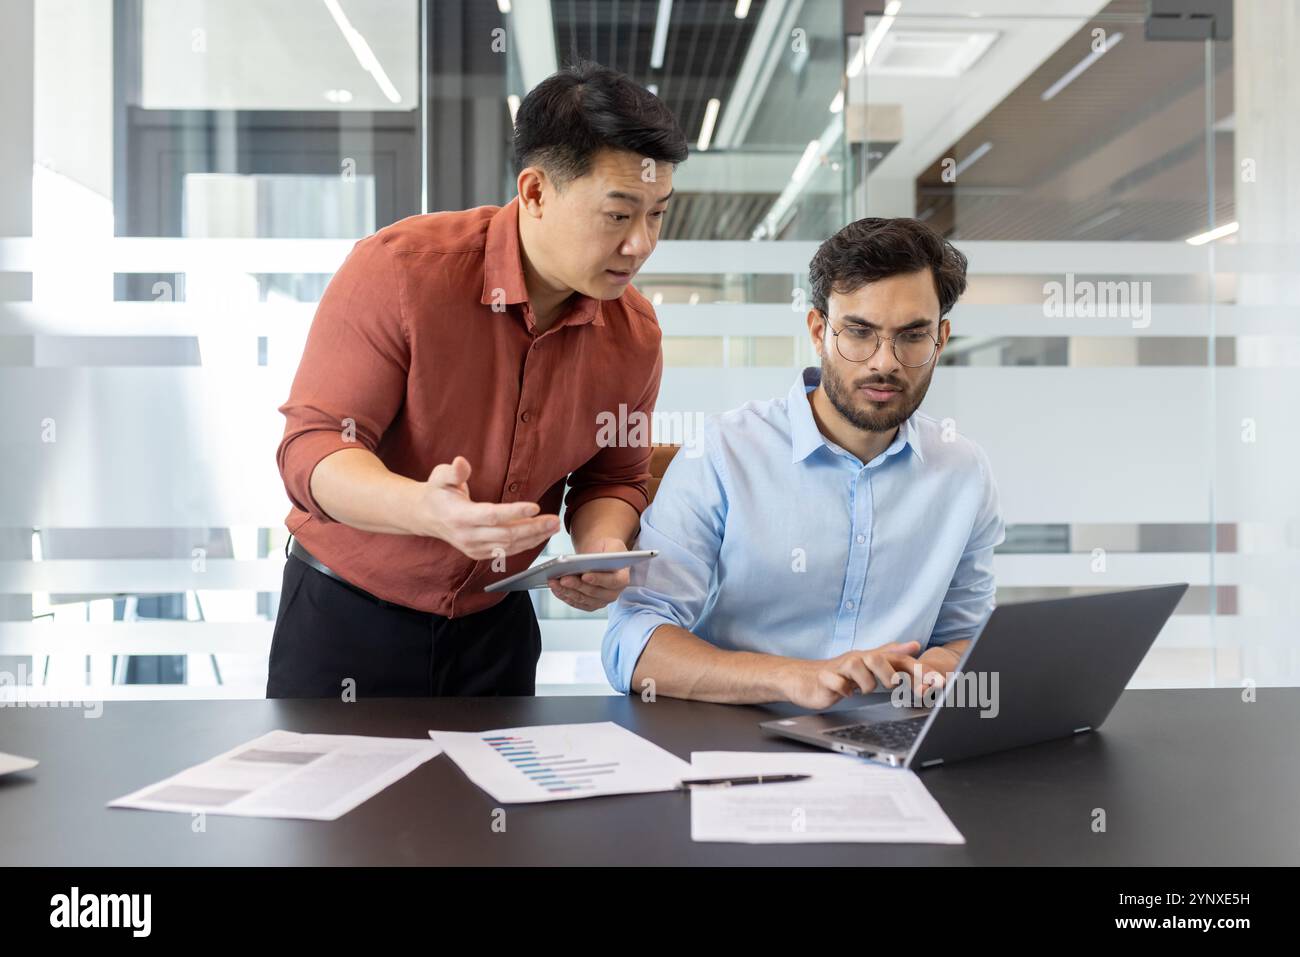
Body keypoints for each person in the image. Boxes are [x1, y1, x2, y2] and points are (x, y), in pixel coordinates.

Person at [268, 61, 687, 698]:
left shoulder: (634, 333)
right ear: (537, 191)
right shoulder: (402, 271)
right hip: (346, 620)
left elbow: (612, 476)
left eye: (658, 215)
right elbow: (315, 449)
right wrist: (422, 510)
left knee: (497, 799)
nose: (641, 244)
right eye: (618, 215)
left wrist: (599, 550)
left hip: (495, 632)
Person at [603, 217, 1005, 708]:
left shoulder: (963, 473)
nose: (885, 362)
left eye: (912, 336)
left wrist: (945, 664)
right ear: (818, 330)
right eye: (859, 332)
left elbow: (966, 636)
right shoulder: (725, 453)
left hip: (893, 742)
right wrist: (793, 678)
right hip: (736, 742)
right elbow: (633, 642)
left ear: (940, 340)